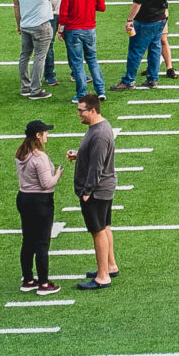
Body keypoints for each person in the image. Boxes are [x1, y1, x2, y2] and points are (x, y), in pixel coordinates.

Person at [68, 96, 119, 290]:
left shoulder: (99, 134)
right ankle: (110, 266)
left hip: (96, 191)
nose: (78, 114)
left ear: (93, 111)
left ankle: (103, 276)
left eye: (81, 110)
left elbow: (97, 167)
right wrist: (79, 155)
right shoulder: (99, 128)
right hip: (103, 187)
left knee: (97, 231)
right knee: (104, 226)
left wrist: (87, 191)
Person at [119, 0, 177, 89]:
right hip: (161, 18)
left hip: (146, 20)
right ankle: (153, 78)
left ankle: (128, 81)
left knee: (135, 51)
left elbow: (137, 2)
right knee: (155, 49)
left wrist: (129, 20)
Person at [15, 120, 61, 295]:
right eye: (45, 132)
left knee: (27, 241)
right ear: (38, 135)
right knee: (42, 242)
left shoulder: (21, 153)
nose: (47, 134)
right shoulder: (39, 157)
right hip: (40, 202)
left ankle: (28, 279)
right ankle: (43, 283)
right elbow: (46, 183)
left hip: (24, 198)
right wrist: (58, 173)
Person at [57, 0, 106, 101]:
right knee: (92, 59)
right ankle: (100, 91)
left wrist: (60, 30)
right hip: (89, 29)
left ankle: (82, 94)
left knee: (77, 62)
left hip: (73, 30)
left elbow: (64, 12)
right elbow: (102, 7)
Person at [12, 0, 59, 100]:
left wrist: (19, 25)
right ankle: (35, 90)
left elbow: (16, 8)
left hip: (26, 25)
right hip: (41, 25)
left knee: (25, 55)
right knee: (40, 57)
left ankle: (25, 87)